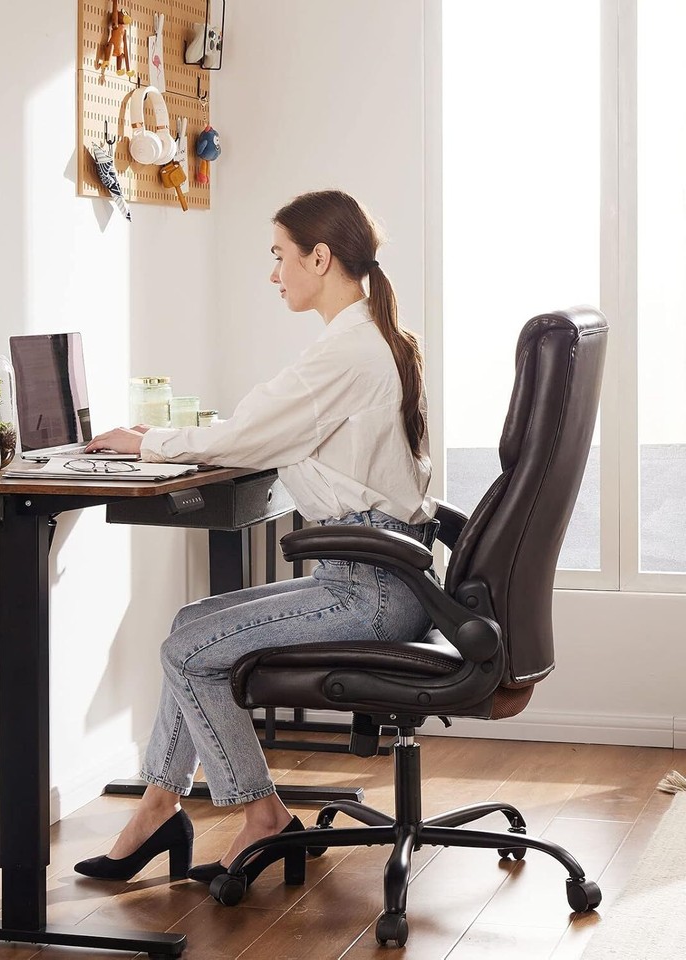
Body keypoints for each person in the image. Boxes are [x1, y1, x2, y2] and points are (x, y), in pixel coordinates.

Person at [74, 189, 439, 887]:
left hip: (369, 587)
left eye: (280, 256)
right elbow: (261, 426)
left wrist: (146, 439)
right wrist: (174, 438)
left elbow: (245, 435)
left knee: (187, 647)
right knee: (190, 627)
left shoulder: (348, 353)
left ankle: (261, 815)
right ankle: (160, 803)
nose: (274, 274)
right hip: (386, 574)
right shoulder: (366, 340)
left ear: (320, 257)